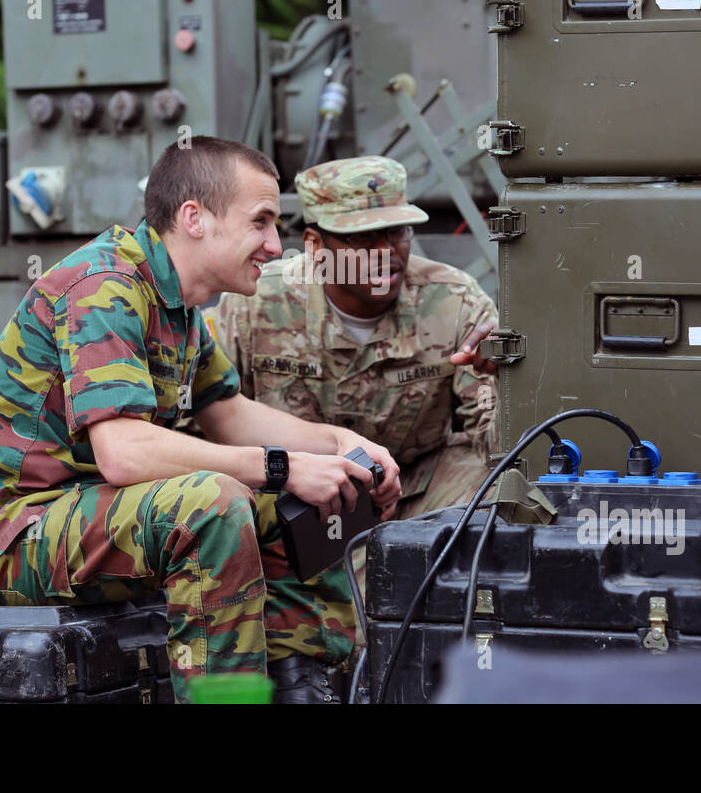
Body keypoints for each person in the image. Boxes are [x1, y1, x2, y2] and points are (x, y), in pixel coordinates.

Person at [0, 136, 401, 704]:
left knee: (306, 499)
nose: (275, 246)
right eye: (261, 222)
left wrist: (340, 445)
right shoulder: (104, 286)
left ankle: (298, 685)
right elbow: (124, 453)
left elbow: (229, 414)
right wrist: (282, 466)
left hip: (90, 513)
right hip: (10, 537)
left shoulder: (176, 305)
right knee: (214, 503)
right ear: (194, 218)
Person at [203, 155, 498, 527]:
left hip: (419, 499)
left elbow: (498, 441)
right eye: (360, 237)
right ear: (314, 244)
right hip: (296, 501)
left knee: (500, 486)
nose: (386, 251)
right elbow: (203, 424)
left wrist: (512, 379)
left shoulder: (454, 302)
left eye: (397, 232)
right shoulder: (255, 304)